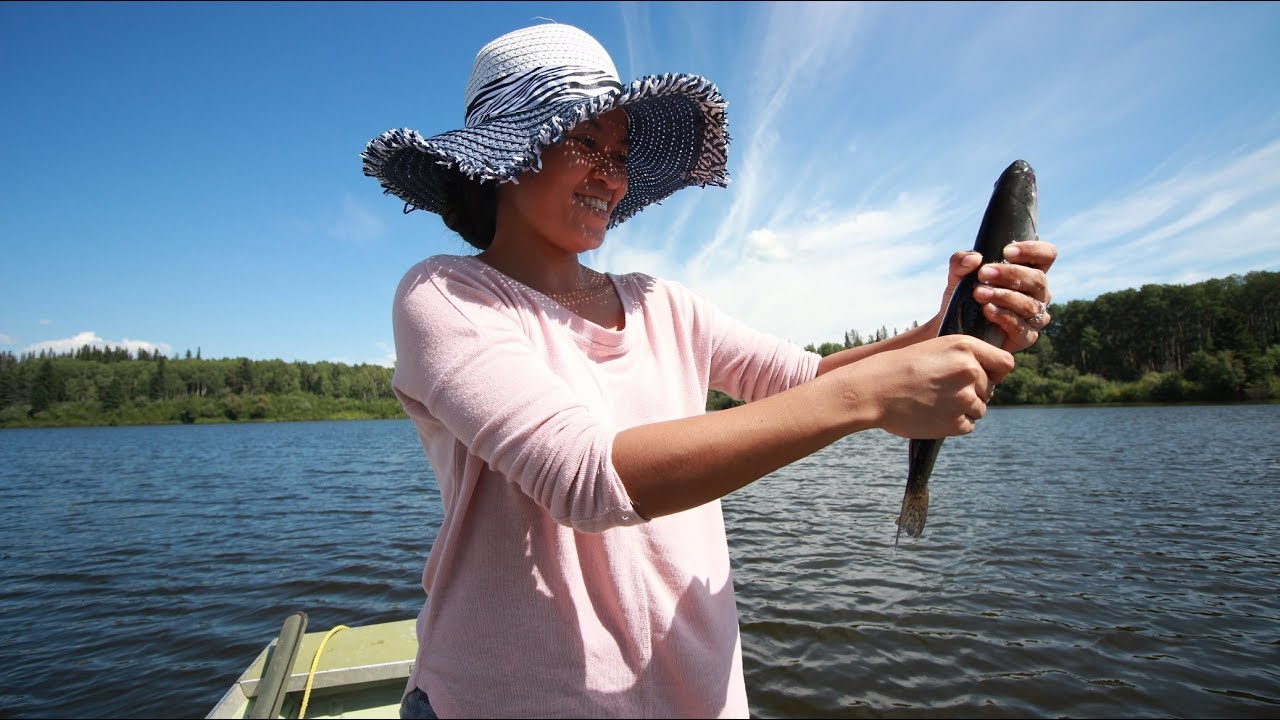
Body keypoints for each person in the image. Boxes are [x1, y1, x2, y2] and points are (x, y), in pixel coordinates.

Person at [362, 22, 1057, 720]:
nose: (609, 172)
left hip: (696, 696)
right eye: (583, 141)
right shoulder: (447, 295)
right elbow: (585, 478)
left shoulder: (661, 302)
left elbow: (807, 380)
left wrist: (947, 323)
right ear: (509, 154)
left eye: (620, 152)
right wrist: (866, 396)